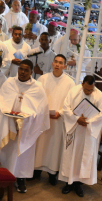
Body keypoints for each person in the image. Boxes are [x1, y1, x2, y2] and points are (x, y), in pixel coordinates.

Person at [0, 60, 49, 193]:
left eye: (26, 70)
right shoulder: (9, 82)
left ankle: (20, 178)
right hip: (8, 123)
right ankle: (2, 176)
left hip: (26, 127)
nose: (22, 72)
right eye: (20, 69)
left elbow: (41, 109)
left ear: (31, 72)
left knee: (23, 154)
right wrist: (8, 112)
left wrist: (28, 116)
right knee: (7, 151)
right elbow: (0, 101)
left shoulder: (37, 87)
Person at [58, 74, 102, 197]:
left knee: (83, 157)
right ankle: (68, 183)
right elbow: (66, 107)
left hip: (88, 130)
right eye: (86, 89)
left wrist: (88, 122)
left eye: (91, 89)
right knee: (71, 155)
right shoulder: (74, 91)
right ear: (82, 85)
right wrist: (76, 119)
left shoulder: (99, 95)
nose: (88, 92)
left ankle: (79, 183)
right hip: (75, 128)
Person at [34, 55, 76, 185]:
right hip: (43, 118)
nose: (57, 65)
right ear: (52, 64)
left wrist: (61, 113)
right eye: (56, 62)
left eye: (61, 63)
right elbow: (36, 98)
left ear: (65, 66)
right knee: (40, 144)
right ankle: (36, 170)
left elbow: (71, 104)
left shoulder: (70, 83)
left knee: (54, 146)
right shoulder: (42, 79)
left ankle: (53, 173)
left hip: (59, 120)